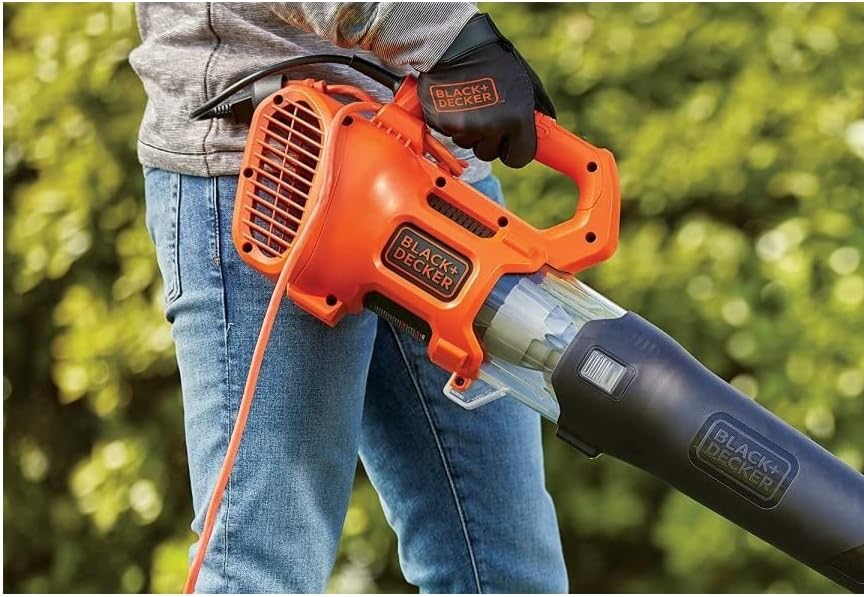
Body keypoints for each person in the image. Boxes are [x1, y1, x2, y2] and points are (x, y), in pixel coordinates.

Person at [130, 3, 566, 593]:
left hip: (437, 171)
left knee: (505, 572)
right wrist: (447, 34)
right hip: (279, 167)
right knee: (260, 568)